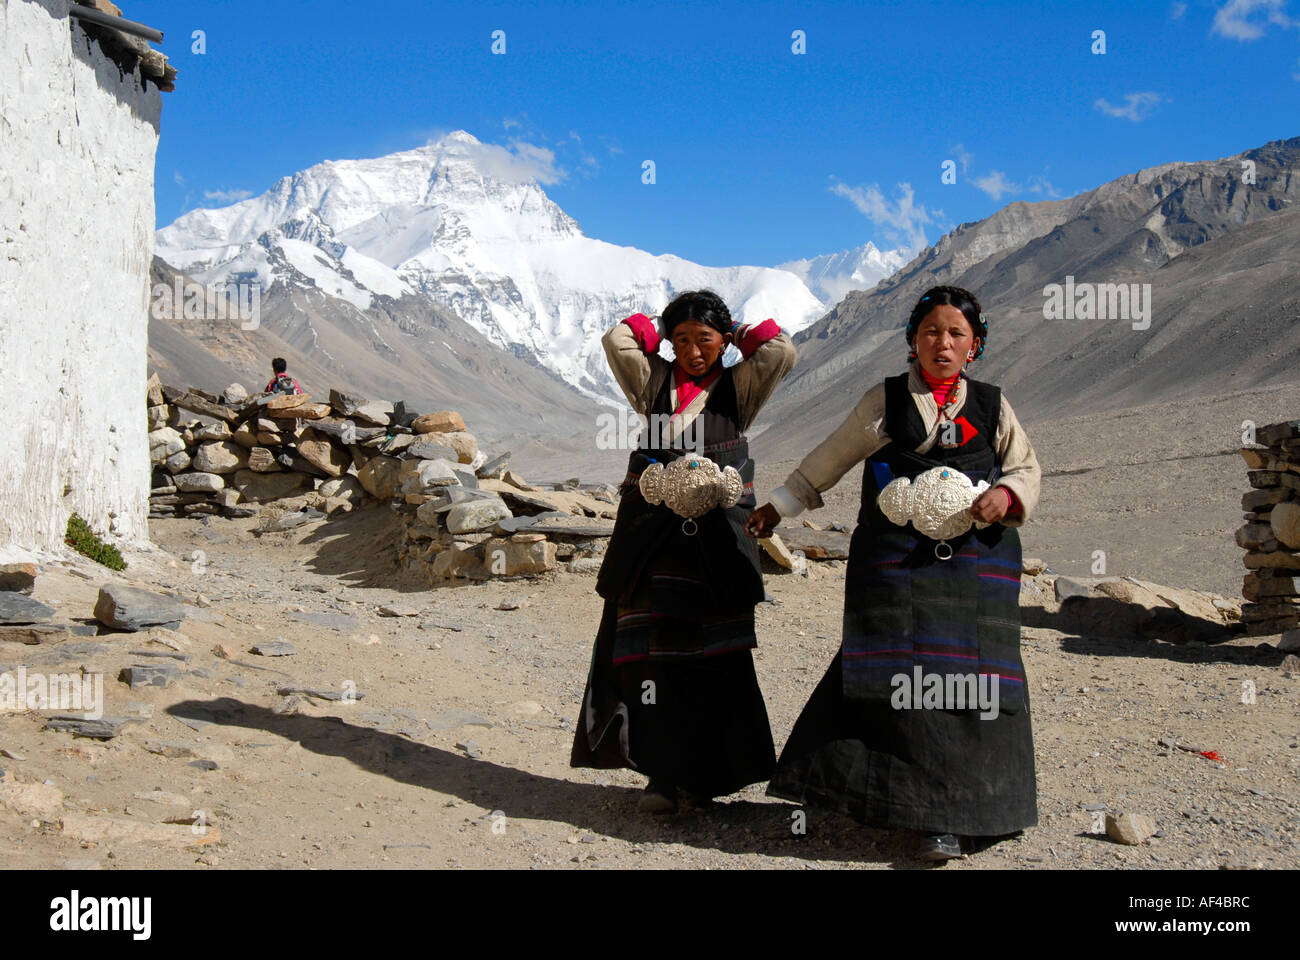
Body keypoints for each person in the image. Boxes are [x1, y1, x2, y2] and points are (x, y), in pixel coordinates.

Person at [745, 285, 1042, 860]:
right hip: (896, 565)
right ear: (912, 341)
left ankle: (956, 816)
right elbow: (830, 458)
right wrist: (780, 504)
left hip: (971, 572)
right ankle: (880, 801)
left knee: (968, 683)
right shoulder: (883, 402)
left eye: (956, 333)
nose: (943, 343)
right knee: (889, 672)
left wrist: (1006, 495)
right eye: (931, 331)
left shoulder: (992, 405)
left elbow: (1026, 467)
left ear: (974, 345)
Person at [571, 290, 796, 814]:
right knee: (650, 653)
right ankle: (661, 775)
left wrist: (738, 329)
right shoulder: (652, 380)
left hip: (717, 533)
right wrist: (656, 327)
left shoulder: (740, 387)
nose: (693, 351)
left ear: (724, 342)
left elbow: (781, 352)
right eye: (682, 340)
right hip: (652, 532)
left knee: (713, 652)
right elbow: (616, 341)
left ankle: (706, 776)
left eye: (705, 339)